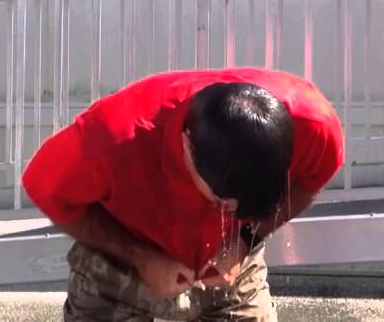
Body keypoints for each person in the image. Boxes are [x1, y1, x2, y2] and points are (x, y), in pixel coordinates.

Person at [21, 67, 344, 321]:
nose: (229, 210)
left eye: (246, 205)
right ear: (187, 146)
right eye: (221, 202)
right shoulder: (113, 138)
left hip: (229, 260)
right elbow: (45, 188)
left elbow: (311, 181)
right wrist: (140, 257)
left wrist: (245, 236)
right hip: (122, 254)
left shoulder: (313, 125)